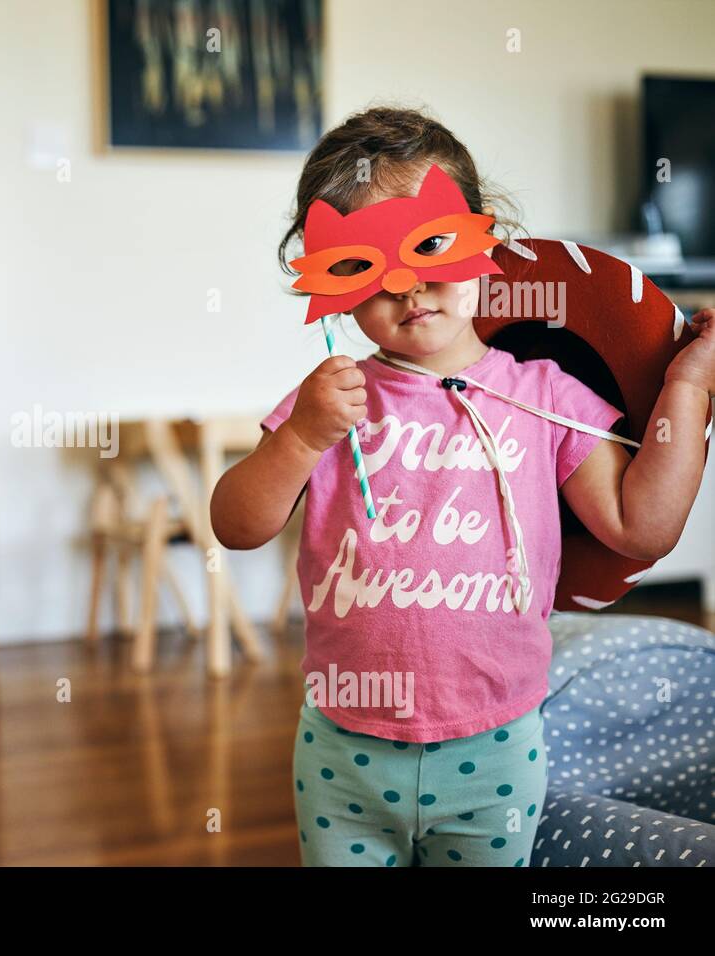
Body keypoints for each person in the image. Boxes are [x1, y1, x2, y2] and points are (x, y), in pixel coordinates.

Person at [210, 106, 715, 866]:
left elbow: (639, 528)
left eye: (431, 245)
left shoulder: (544, 396)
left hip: (498, 745)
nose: (408, 286)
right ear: (331, 283)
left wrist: (690, 384)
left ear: (486, 239)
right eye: (363, 266)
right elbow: (236, 525)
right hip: (343, 746)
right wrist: (302, 437)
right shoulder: (330, 400)